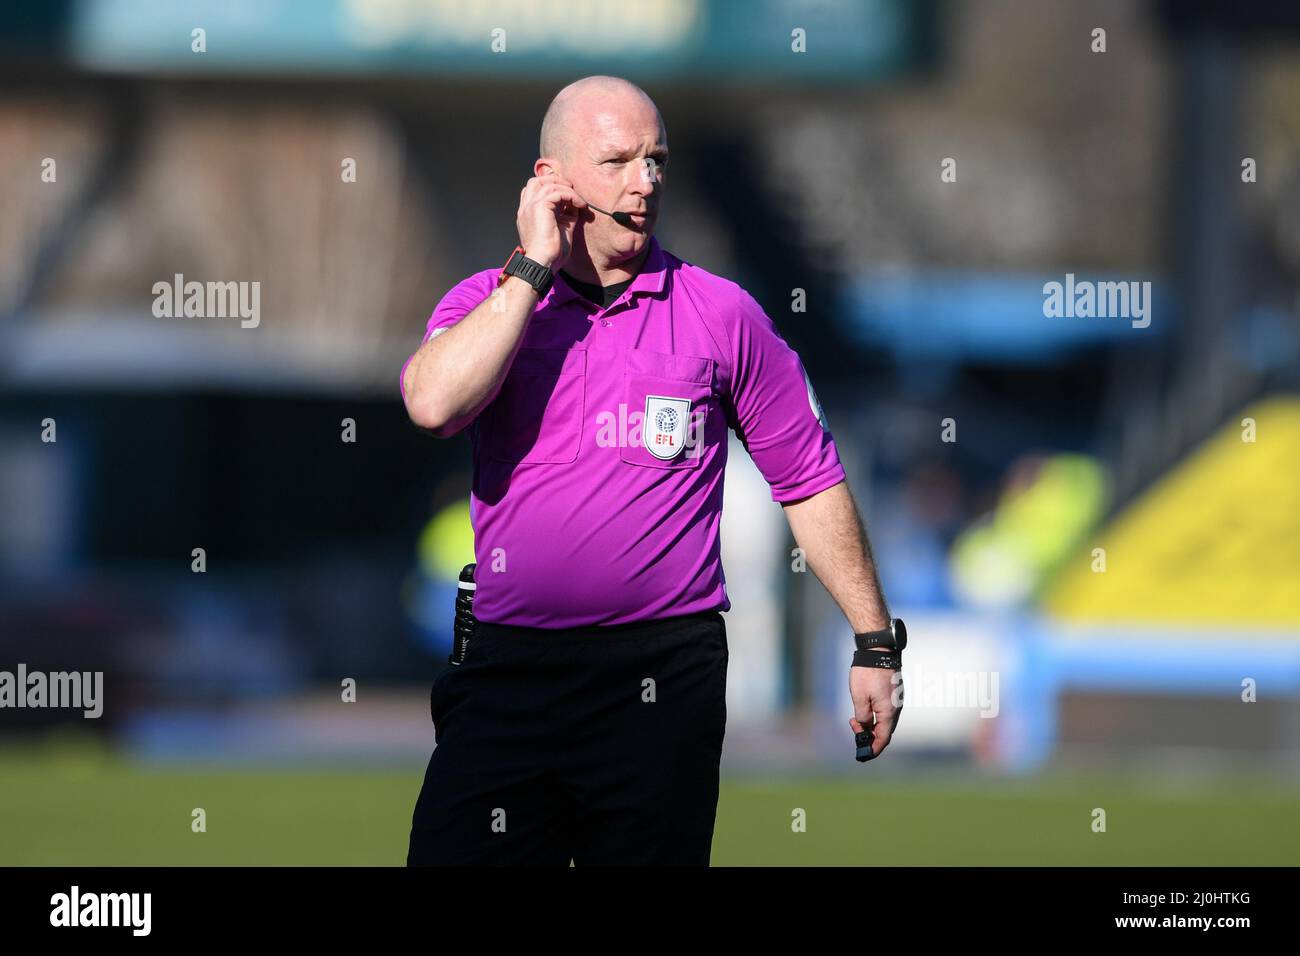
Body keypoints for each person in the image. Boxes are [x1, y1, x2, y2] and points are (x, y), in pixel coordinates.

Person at [400, 75, 903, 866]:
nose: (646, 183)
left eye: (657, 159)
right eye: (618, 161)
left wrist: (875, 642)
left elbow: (808, 476)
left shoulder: (722, 313)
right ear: (552, 180)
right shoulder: (486, 302)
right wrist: (532, 271)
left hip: (659, 682)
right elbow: (432, 403)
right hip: (510, 672)